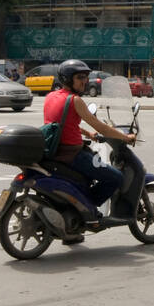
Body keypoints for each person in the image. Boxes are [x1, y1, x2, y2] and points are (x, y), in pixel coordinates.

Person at [44, 59, 136, 240]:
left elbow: (61, 124)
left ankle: (74, 225)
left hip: (55, 153)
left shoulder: (51, 97)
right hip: (73, 155)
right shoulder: (75, 100)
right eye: (80, 78)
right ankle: (88, 211)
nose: (85, 81)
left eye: (86, 77)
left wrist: (88, 134)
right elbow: (101, 126)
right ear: (67, 79)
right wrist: (125, 137)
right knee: (116, 177)